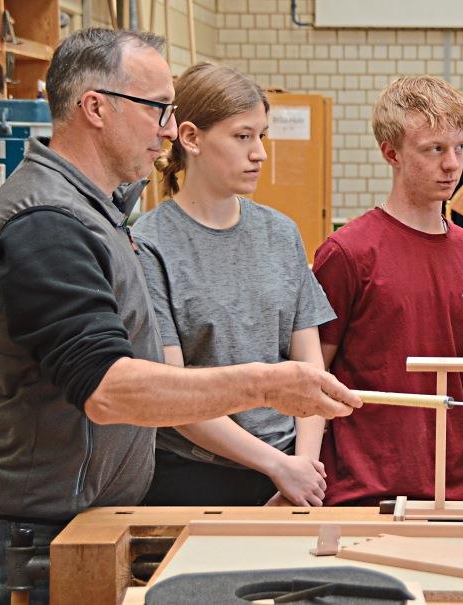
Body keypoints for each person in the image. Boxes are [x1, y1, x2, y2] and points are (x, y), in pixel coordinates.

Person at [0, 29, 359, 605]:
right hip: (17, 538)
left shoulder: (96, 214)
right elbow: (108, 389)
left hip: (70, 525)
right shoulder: (48, 221)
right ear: (95, 108)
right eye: (157, 108)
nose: (166, 128)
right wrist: (268, 382)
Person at [132, 63, 334, 507]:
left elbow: (310, 370)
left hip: (293, 473)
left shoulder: (281, 234)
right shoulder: (149, 244)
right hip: (196, 478)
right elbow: (171, 391)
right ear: (191, 138)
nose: (260, 152)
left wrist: (299, 469)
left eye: (262, 136)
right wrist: (277, 468)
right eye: (243, 137)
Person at [313, 75, 463, 505]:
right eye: (434, 149)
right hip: (364, 490)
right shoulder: (347, 253)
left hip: (456, 488)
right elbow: (314, 378)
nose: (452, 164)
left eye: (459, 147)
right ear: (391, 153)